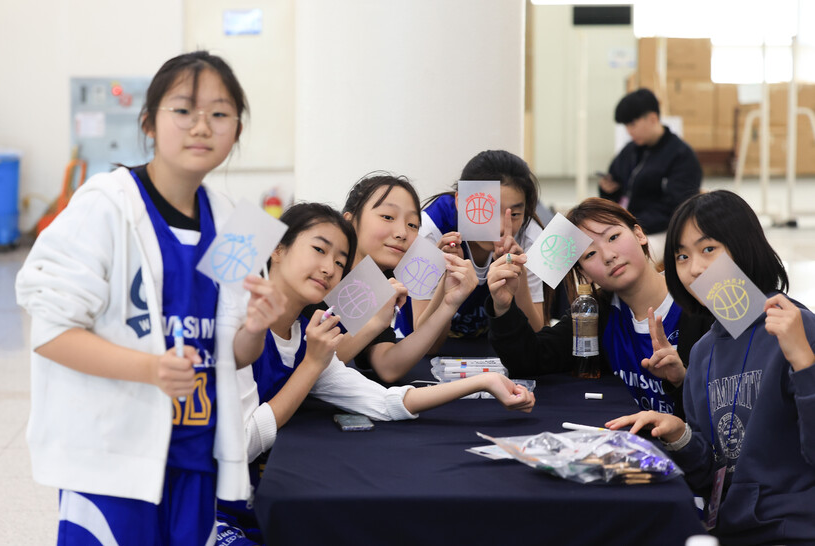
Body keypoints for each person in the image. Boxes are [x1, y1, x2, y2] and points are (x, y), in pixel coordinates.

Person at [14, 51, 287, 545]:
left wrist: (255, 325)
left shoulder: (238, 226)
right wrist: (150, 369)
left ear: (237, 131)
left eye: (220, 114)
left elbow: (235, 354)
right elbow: (51, 332)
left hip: (198, 458)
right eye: (183, 110)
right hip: (111, 461)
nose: (202, 126)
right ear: (149, 122)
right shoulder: (105, 205)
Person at [215, 202, 535, 545]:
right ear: (277, 249)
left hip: (249, 501)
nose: (328, 268)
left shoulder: (310, 334)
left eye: (339, 262)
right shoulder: (239, 325)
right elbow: (241, 443)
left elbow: (386, 402)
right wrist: (312, 364)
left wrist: (484, 381)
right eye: (319, 250)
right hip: (203, 501)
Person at [606, 190, 815, 545]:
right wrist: (678, 434)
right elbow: (710, 473)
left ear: (744, 245)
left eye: (708, 249)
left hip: (793, 530)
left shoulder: (798, 327)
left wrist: (804, 364)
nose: (695, 268)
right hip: (729, 529)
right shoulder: (702, 352)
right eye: (682, 256)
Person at [487, 197, 713, 418]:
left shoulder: (703, 299)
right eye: (590, 254)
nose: (608, 256)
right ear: (583, 272)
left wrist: (681, 379)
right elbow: (530, 360)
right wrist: (503, 305)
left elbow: (737, 394)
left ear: (639, 234)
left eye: (613, 237)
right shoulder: (596, 313)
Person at [417, 150, 572, 351]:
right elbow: (424, 344)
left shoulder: (531, 236)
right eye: (487, 211)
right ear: (460, 202)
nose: (501, 226)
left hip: (490, 351)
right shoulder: (430, 230)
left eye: (515, 214)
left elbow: (536, 337)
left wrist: (520, 278)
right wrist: (445, 282)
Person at [334, 172, 478, 382]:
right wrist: (374, 323)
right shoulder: (321, 275)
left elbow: (388, 366)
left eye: (412, 225)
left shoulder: (373, 283)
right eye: (387, 217)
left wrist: (448, 303)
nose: (402, 232)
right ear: (350, 221)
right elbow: (306, 367)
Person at [599, 88, 702, 260]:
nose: (628, 131)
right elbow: (615, 183)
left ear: (653, 118)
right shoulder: (630, 151)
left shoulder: (682, 156)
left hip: (660, 231)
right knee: (581, 244)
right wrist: (608, 190)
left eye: (632, 124)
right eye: (625, 126)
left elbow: (676, 208)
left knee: (628, 257)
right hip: (623, 225)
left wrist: (630, 225)